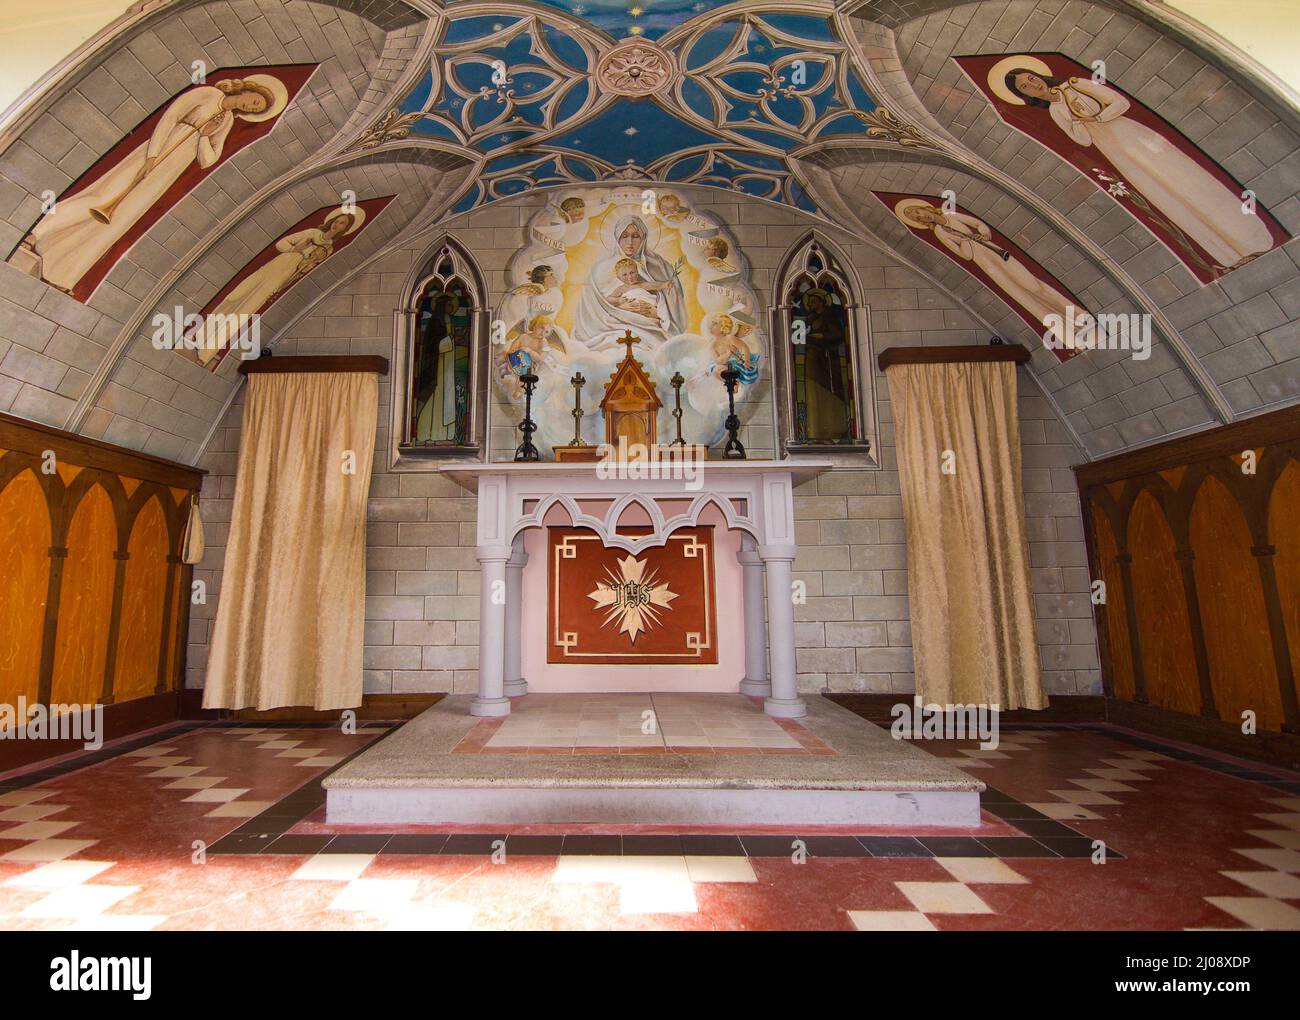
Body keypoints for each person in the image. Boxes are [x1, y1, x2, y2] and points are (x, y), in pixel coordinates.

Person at [17, 75, 288, 293]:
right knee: (101, 198)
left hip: (170, 170)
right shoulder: (207, 95)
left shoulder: (226, 121)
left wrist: (204, 137)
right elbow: (170, 117)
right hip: (156, 153)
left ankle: (61, 271)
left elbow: (208, 159)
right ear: (246, 89)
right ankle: (37, 233)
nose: (250, 106)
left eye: (255, 109)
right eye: (253, 101)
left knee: (120, 219)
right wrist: (152, 155)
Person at [1004, 67, 1272, 271]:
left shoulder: (1078, 84)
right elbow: (1082, 141)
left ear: (1039, 75)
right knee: (1167, 198)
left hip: (1132, 135)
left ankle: (1254, 239)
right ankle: (1231, 254)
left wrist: (1097, 117)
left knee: (1192, 184)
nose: (1031, 84)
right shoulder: (1054, 111)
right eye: (1024, 86)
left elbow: (1121, 104)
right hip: (1114, 151)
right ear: (1024, 95)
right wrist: (1078, 122)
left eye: (1030, 78)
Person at [572, 213, 686, 348]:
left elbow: (674, 304)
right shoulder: (600, 268)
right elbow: (591, 309)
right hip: (612, 327)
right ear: (617, 238)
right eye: (624, 236)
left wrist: (656, 312)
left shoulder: (660, 266)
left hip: (653, 325)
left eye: (635, 236)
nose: (630, 242)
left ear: (643, 238)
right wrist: (622, 307)